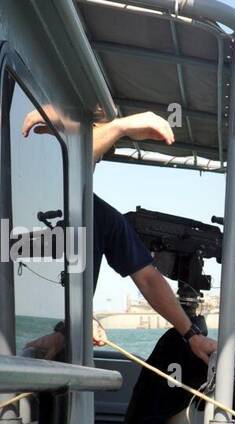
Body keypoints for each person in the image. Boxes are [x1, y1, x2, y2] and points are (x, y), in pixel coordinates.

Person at [22, 110, 216, 365]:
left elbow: (148, 278)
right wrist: (121, 126)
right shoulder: (21, 181)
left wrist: (192, 336)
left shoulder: (99, 216)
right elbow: (14, 247)